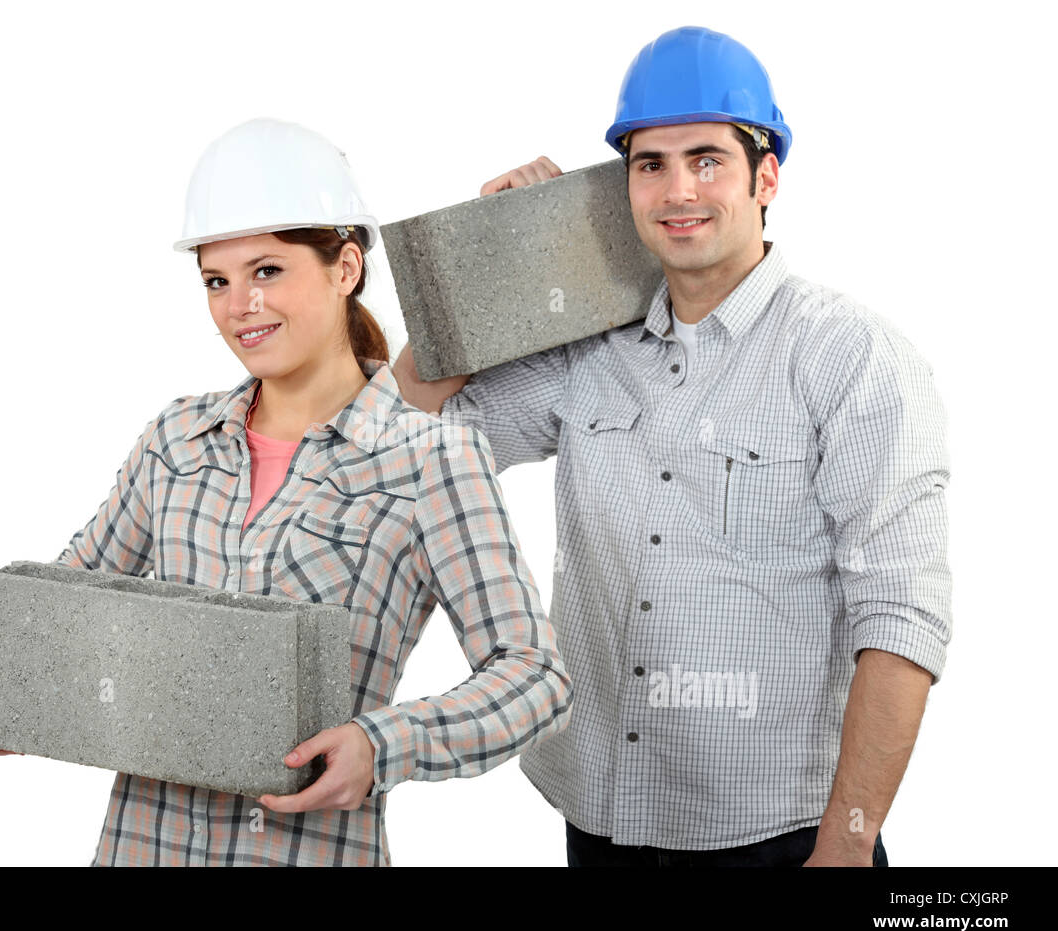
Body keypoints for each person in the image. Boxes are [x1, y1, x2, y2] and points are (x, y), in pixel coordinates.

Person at [0, 118, 571, 866]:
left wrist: (383, 745)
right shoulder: (175, 441)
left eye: (268, 271)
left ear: (345, 268)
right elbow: (69, 598)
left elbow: (534, 676)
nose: (240, 305)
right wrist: (5, 677)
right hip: (145, 848)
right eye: (217, 280)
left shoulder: (429, 457)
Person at [394, 26, 951, 867]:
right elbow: (400, 436)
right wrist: (482, 267)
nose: (677, 188)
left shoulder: (852, 359)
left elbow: (904, 619)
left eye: (707, 159)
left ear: (767, 177)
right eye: (649, 163)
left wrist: (845, 847)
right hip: (603, 815)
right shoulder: (590, 354)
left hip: (778, 836)